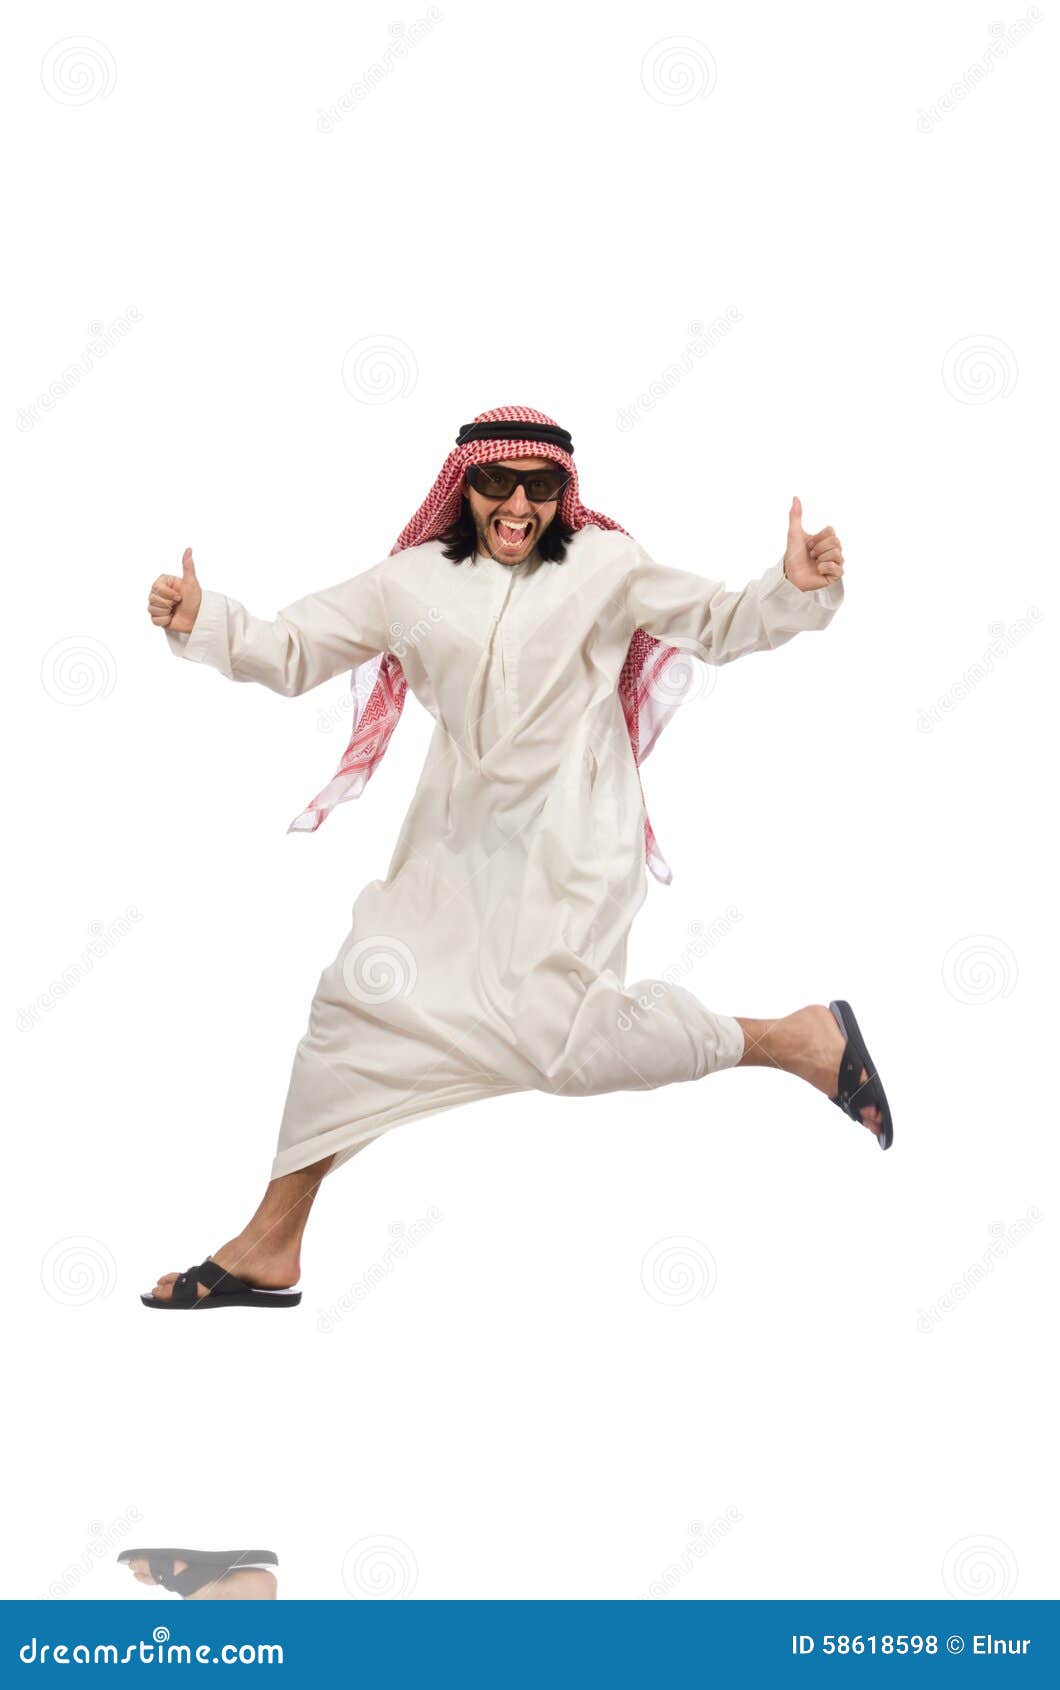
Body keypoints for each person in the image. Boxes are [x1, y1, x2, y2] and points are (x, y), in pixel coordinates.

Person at [142, 405, 890, 1311]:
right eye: (501, 483)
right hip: (451, 843)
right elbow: (295, 648)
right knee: (357, 1005)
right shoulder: (410, 582)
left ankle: (799, 1040)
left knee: (565, 1045)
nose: (519, 505)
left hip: (571, 842)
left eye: (541, 488)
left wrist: (793, 586)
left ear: (561, 497)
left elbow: (719, 621)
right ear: (467, 485)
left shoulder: (605, 567)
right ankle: (271, 1243)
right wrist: (205, 619)